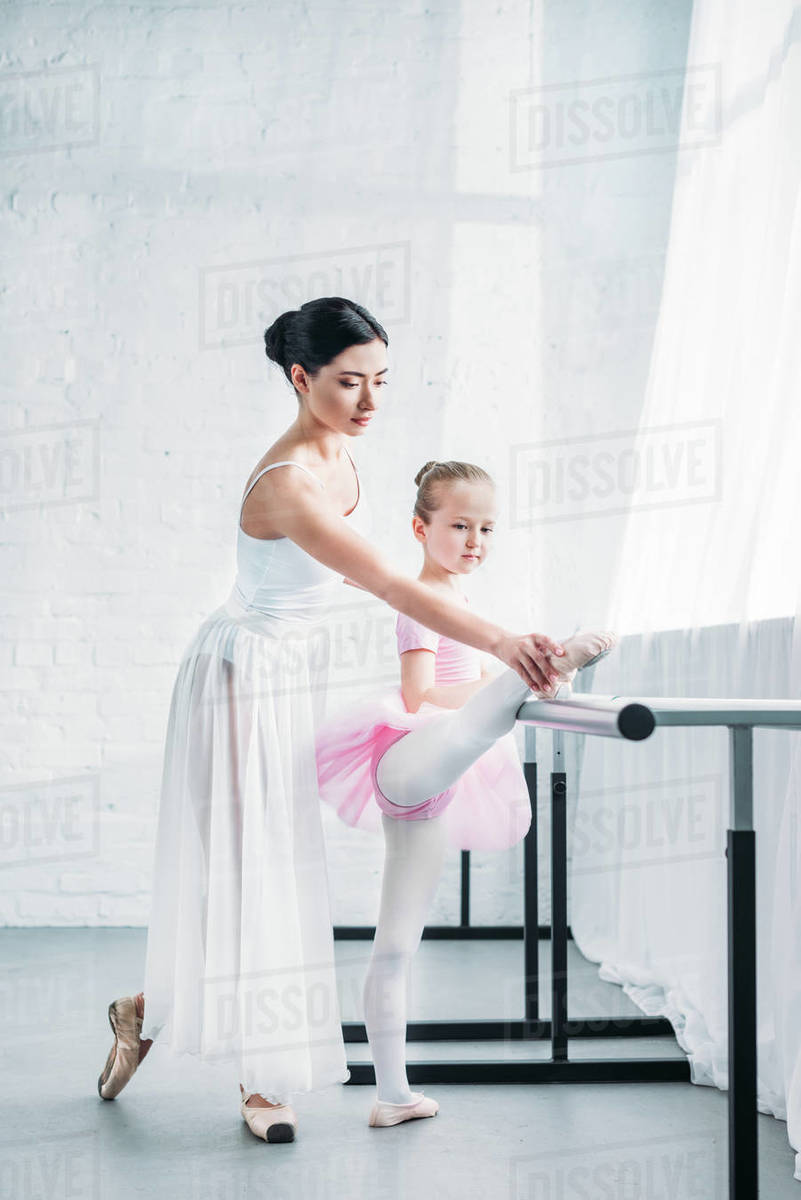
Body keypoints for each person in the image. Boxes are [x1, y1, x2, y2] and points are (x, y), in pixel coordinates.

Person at [95, 296, 572, 1145]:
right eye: (349, 382)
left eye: (380, 381)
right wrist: (502, 642)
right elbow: (392, 585)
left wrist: (485, 630)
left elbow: (379, 584)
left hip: (289, 674)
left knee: (277, 862)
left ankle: (144, 1010)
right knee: (254, 866)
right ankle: (262, 1080)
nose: (369, 401)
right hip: (240, 677)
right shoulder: (286, 484)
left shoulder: (346, 459)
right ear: (299, 376)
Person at [315, 458, 615, 1127]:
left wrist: (506, 685)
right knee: (474, 722)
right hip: (407, 755)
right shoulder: (421, 606)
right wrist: (509, 679)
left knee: (396, 945)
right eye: (459, 525)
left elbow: (470, 699)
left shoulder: (467, 606)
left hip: (433, 790)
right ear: (420, 529)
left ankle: (393, 1097)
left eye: (486, 528)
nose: (475, 539)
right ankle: (544, 667)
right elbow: (422, 698)